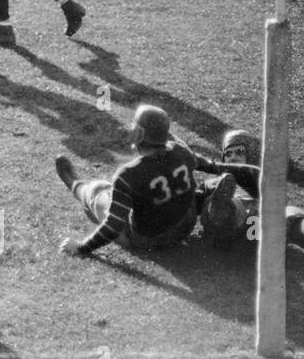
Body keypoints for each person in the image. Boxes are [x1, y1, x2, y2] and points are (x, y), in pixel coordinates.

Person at [56, 105, 240, 258]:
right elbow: (205, 164)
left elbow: (113, 225)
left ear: (138, 134)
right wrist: (235, 169)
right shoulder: (181, 151)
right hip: (186, 224)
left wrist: (81, 247)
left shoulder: (127, 175)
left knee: (99, 193)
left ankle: (74, 183)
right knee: (202, 189)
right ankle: (216, 205)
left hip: (149, 239)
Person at [198, 129, 304, 250]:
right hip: (228, 228)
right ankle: (221, 207)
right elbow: (190, 204)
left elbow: (279, 202)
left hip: (258, 227)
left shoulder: (259, 177)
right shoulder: (212, 184)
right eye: (228, 154)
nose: (233, 157)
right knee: (226, 202)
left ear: (251, 154)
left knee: (291, 212)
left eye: (239, 152)